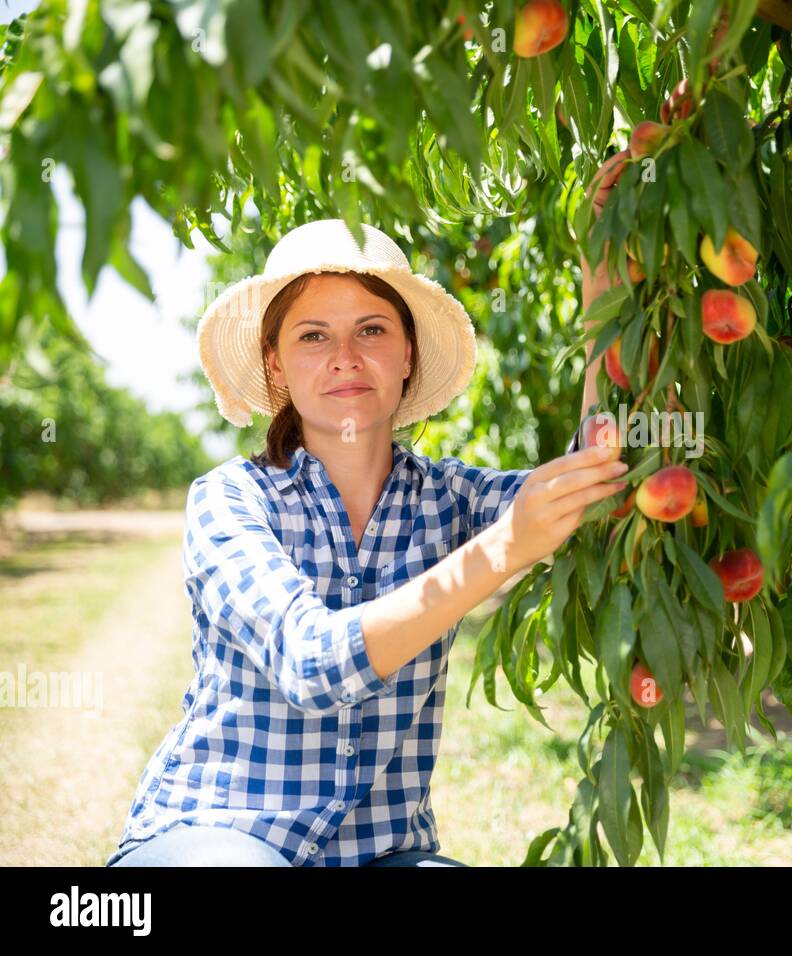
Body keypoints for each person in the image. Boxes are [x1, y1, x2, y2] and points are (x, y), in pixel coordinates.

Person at [107, 153, 635, 867]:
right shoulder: (232, 500)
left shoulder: (450, 499)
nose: (346, 356)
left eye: (373, 330)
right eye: (313, 335)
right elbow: (312, 664)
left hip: (381, 850)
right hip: (221, 833)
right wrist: (506, 547)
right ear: (275, 365)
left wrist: (606, 290)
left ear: (409, 354)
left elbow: (596, 482)